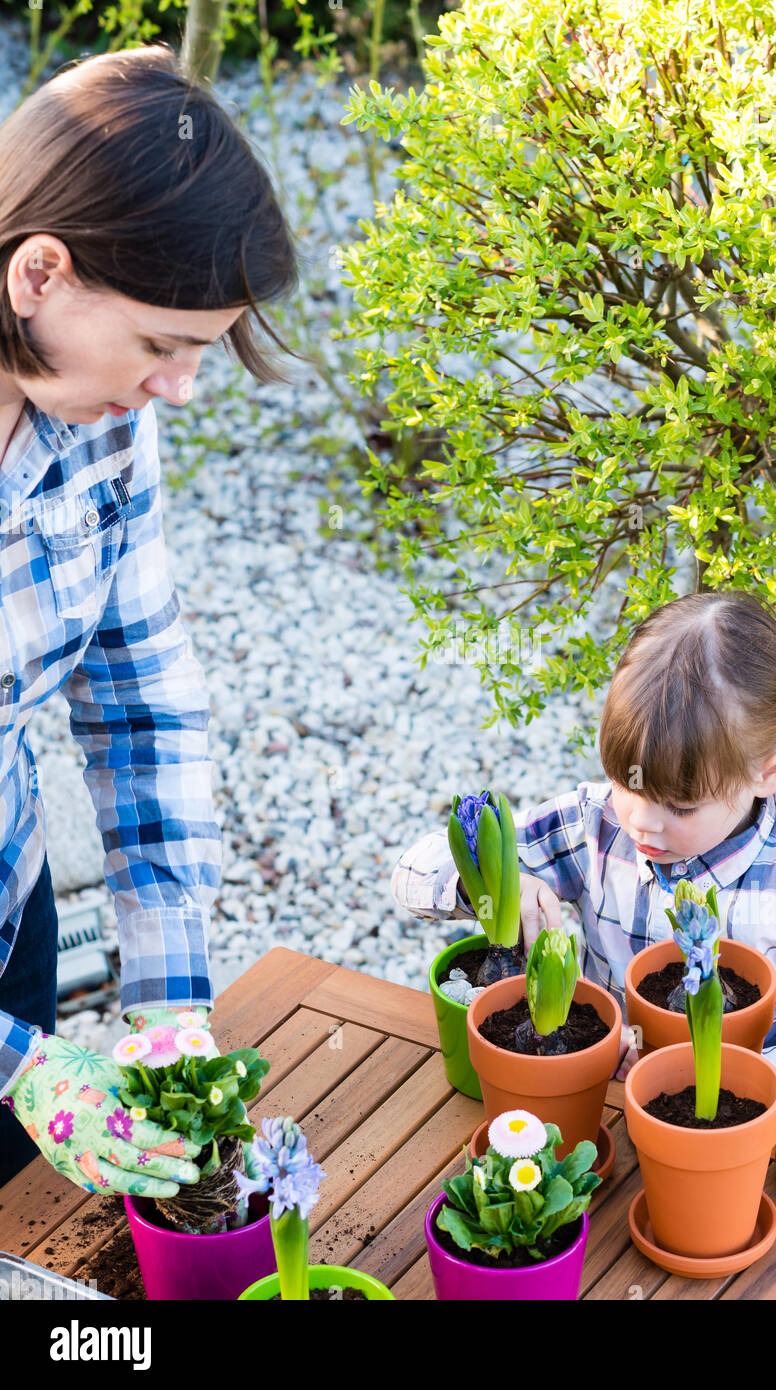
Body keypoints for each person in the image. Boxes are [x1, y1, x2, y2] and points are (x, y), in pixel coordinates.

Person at [0, 44, 302, 1191]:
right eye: (162, 344)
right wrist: (22, 1064)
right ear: (40, 274)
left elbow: (140, 701)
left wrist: (168, 997)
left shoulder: (100, 412)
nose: (180, 386)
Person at [391, 589, 776, 1087]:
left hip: (732, 1122)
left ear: (767, 774)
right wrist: (491, 890)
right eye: (626, 783)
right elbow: (411, 873)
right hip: (597, 1100)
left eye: (680, 806)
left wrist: (697, 1077)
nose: (641, 822)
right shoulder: (592, 827)